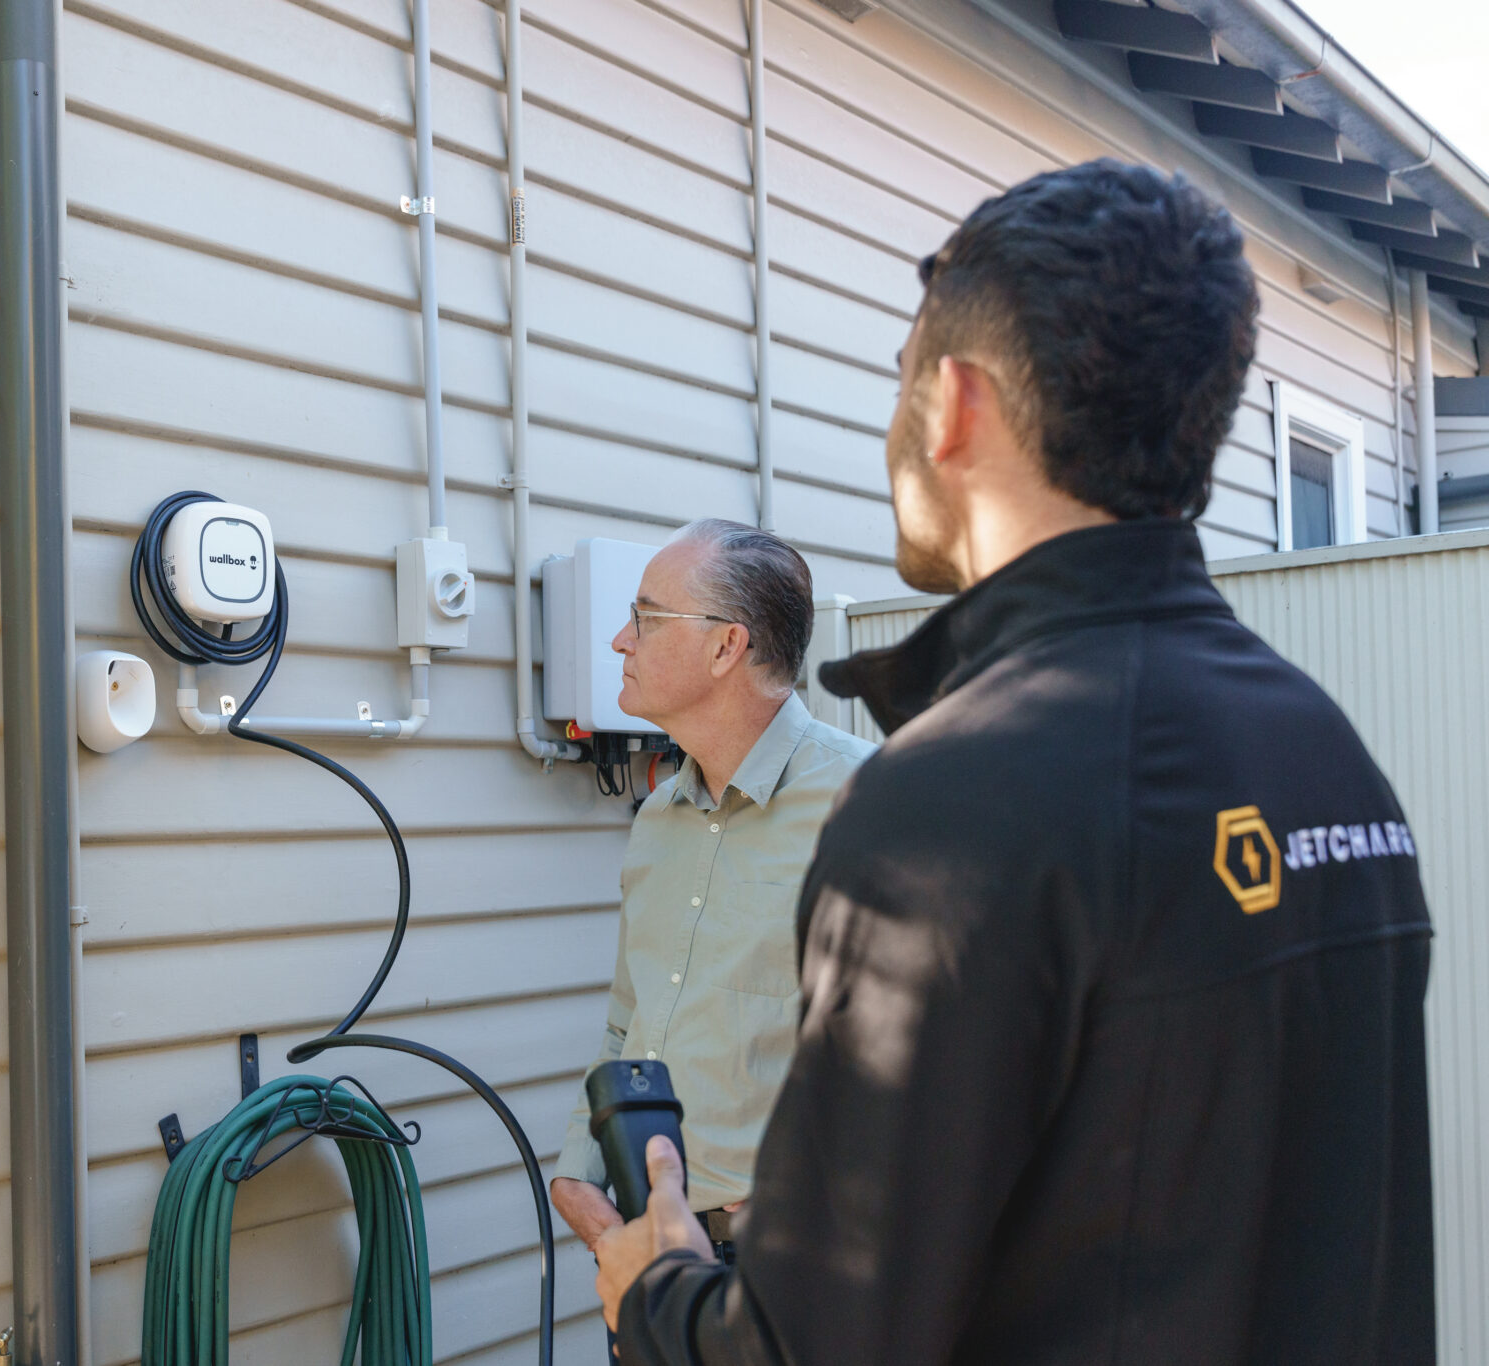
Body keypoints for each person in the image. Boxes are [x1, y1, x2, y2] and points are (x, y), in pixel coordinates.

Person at [596, 160, 1436, 1365]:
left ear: (952, 405)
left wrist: (655, 1288)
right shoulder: (1326, 758)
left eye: (899, 380)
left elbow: (812, 1345)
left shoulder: (949, 806)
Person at [549, 519, 875, 1322]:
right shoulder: (658, 819)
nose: (620, 640)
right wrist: (578, 1175)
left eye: (647, 617)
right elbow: (629, 1022)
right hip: (649, 1256)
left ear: (727, 646)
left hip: (800, 1276)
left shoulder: (871, 805)